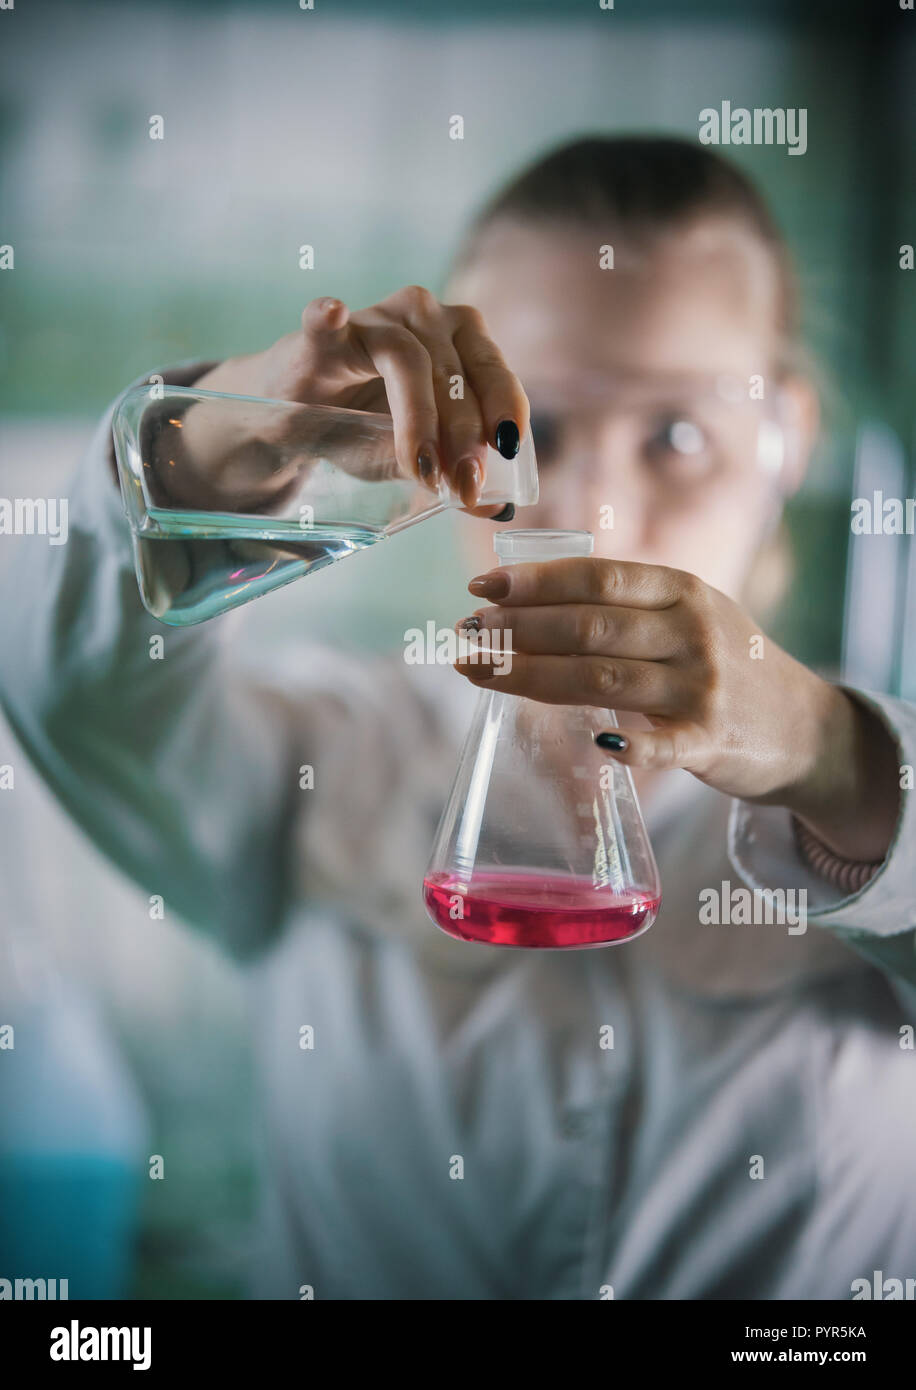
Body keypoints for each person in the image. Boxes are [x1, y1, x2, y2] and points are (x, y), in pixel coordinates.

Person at [3, 136, 915, 1300]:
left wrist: (828, 752)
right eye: (529, 434)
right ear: (439, 432)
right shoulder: (326, 755)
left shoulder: (870, 790)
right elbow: (67, 680)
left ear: (782, 435)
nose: (593, 507)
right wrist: (225, 443)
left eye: (677, 436)